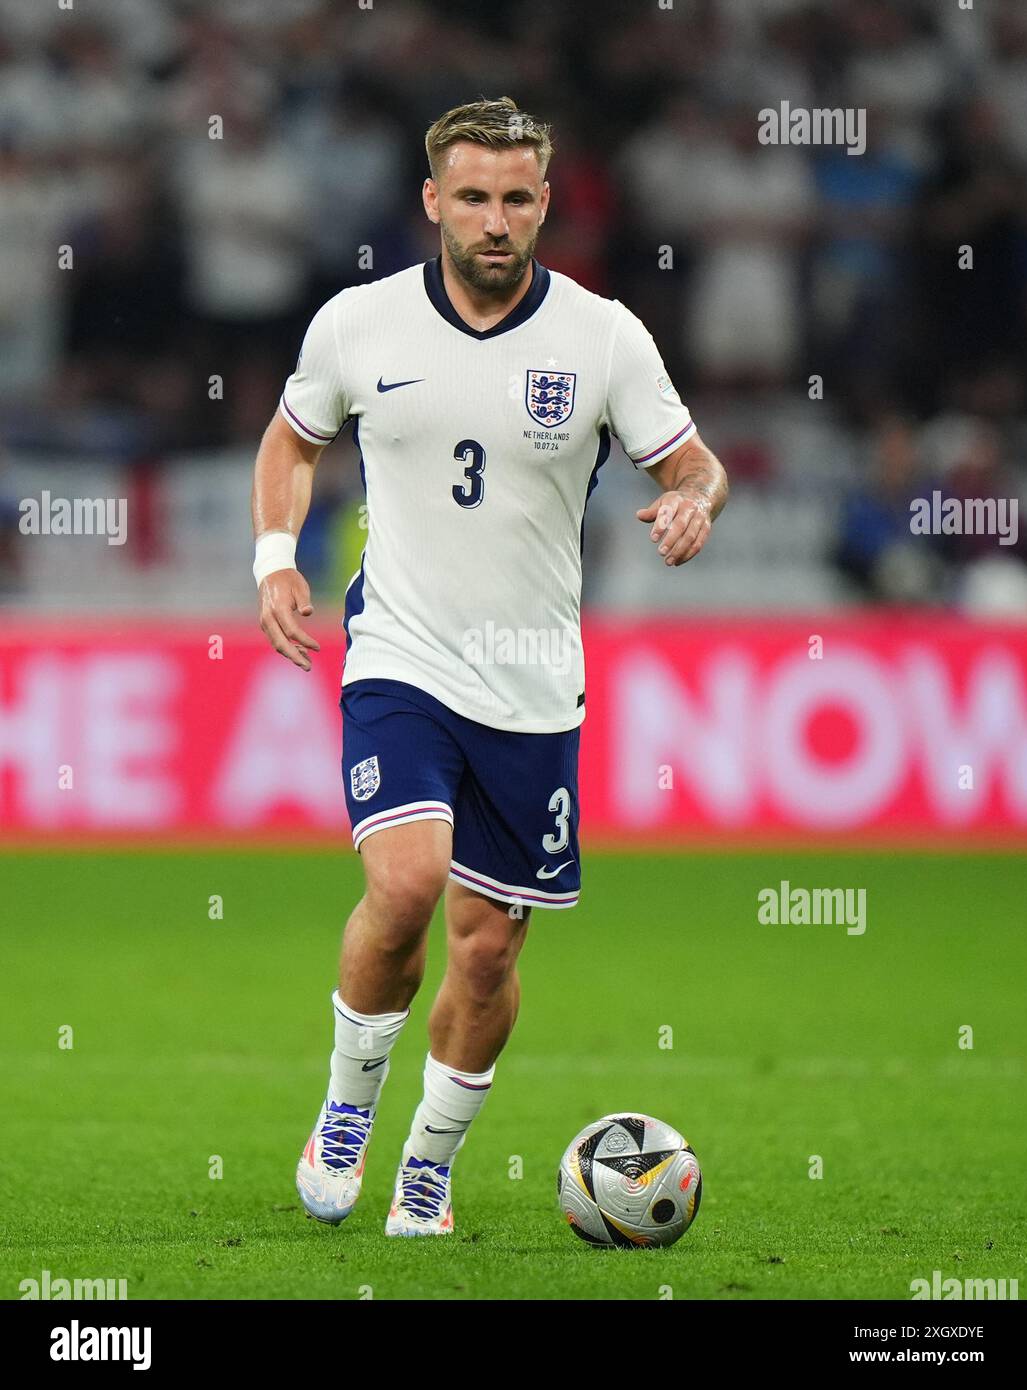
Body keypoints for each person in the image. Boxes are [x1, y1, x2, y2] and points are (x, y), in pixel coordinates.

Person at [250, 97, 728, 1236]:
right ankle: (346, 1109)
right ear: (432, 202)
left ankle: (428, 1163)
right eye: (472, 197)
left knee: (484, 950)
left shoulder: (603, 336)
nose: (494, 220)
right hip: (400, 656)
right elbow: (291, 438)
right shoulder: (357, 324)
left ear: (545, 203)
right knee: (406, 887)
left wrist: (690, 500)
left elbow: (694, 461)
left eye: (516, 198)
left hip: (530, 683)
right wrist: (276, 559)